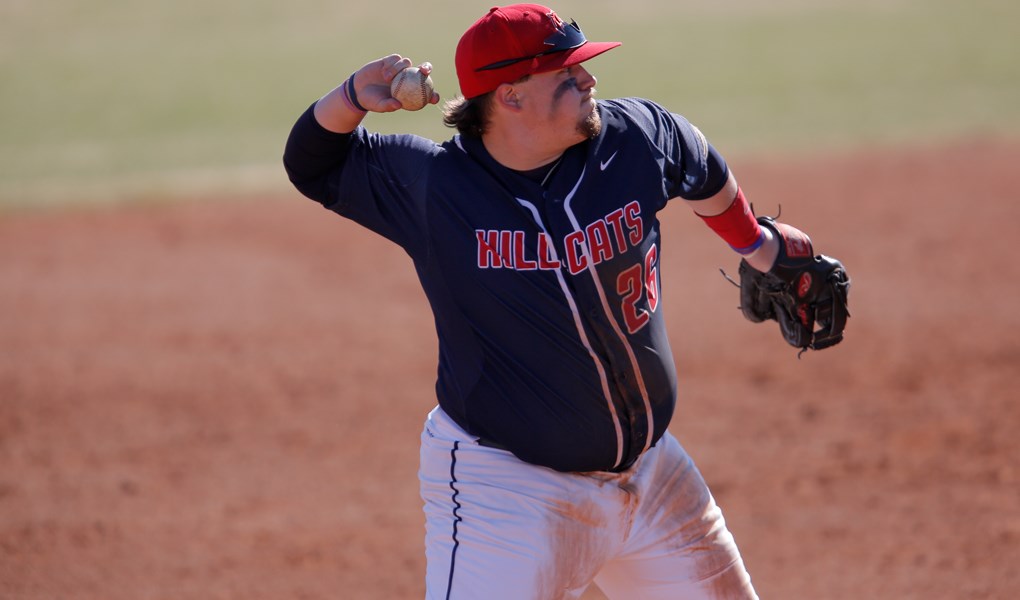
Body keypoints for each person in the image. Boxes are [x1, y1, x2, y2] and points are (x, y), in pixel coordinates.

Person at [284, 4, 848, 598]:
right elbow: (312, 163)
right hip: (509, 493)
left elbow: (698, 163)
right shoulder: (434, 187)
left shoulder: (630, 142)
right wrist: (350, 95)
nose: (590, 81)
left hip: (653, 476)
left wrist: (758, 245)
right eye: (567, 75)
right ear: (511, 96)